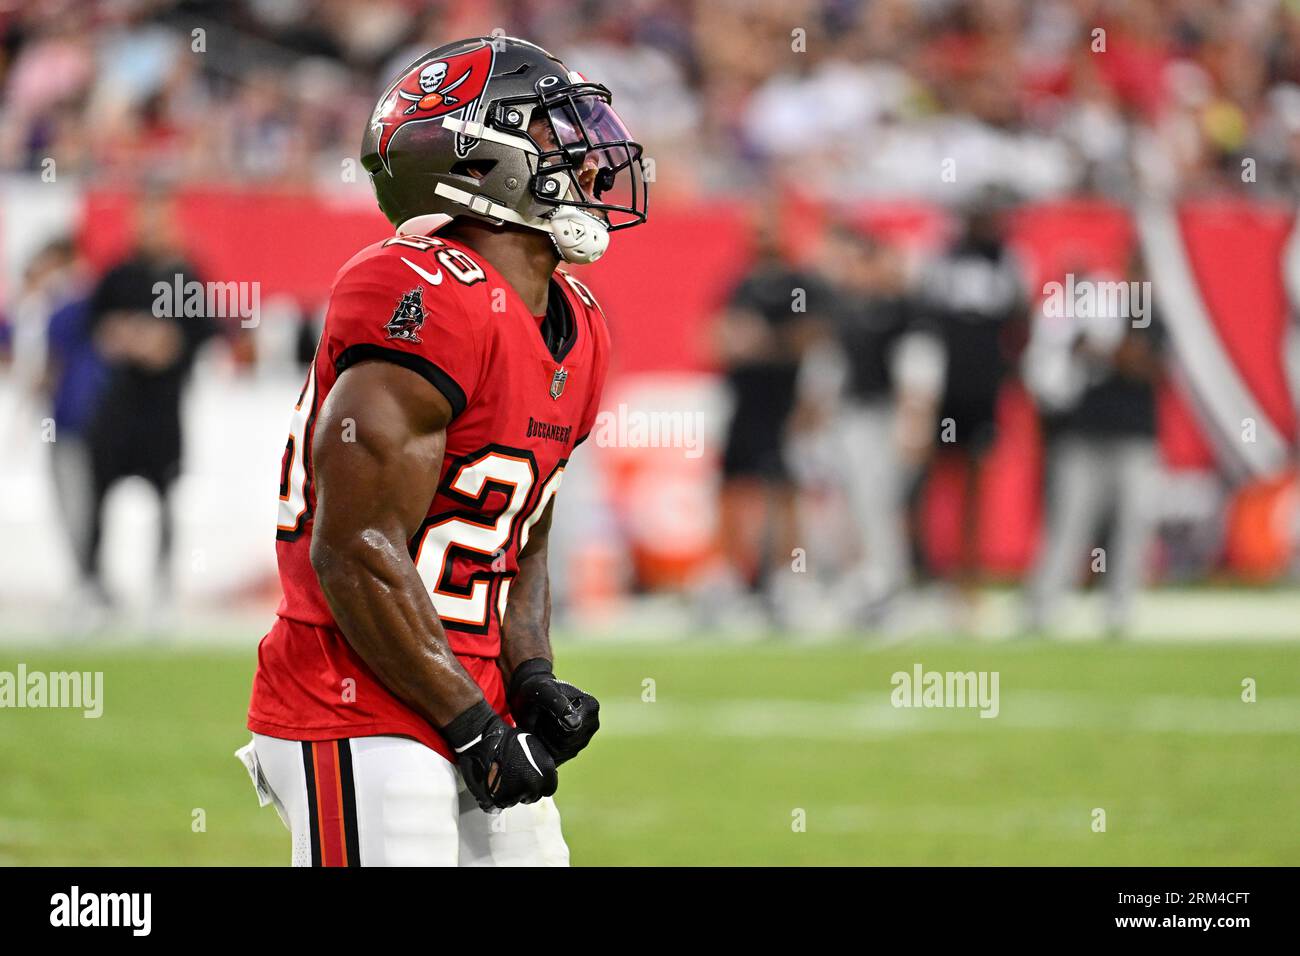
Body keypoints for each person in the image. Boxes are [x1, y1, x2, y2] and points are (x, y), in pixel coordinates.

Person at [239, 36, 648, 866]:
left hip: (469, 690)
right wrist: (473, 728)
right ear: (478, 153)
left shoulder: (578, 321)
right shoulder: (421, 292)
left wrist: (528, 672)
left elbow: (520, 524)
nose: (587, 147)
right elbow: (353, 547)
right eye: (553, 126)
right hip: (352, 695)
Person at [84, 191, 216, 608]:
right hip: (117, 408)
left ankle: (162, 584)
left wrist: (169, 343)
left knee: (164, 496)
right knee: (99, 494)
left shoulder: (185, 276)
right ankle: (92, 583)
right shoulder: (118, 275)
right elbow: (92, 327)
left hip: (163, 408)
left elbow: (204, 333)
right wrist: (120, 335)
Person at [1023, 261, 1165, 636]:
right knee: (1068, 522)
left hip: (1134, 437)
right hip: (1082, 435)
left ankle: (1119, 608)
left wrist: (1108, 350)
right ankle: (1044, 605)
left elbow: (1147, 362)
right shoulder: (1068, 317)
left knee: (1132, 524)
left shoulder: (1143, 308)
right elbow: (1050, 378)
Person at [817, 226, 944, 625]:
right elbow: (831, 367)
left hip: (886, 414)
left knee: (879, 505)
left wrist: (914, 422)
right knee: (852, 504)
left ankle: (888, 584)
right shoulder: (848, 309)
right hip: (852, 416)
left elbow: (920, 369)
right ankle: (866, 581)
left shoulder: (906, 311)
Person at [708, 215, 825, 622]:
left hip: (783, 400)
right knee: (735, 485)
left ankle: (789, 579)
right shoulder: (742, 283)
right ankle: (734, 578)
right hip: (744, 399)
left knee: (784, 487)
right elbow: (715, 335)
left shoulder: (797, 284)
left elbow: (812, 335)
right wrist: (731, 340)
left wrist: (762, 343)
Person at [919, 195, 1028, 619]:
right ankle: (930, 572)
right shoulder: (942, 258)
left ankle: (968, 577)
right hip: (943, 389)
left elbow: (1021, 322)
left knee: (975, 486)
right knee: (932, 481)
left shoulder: (1009, 260)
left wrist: (1011, 375)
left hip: (983, 390)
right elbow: (924, 320)